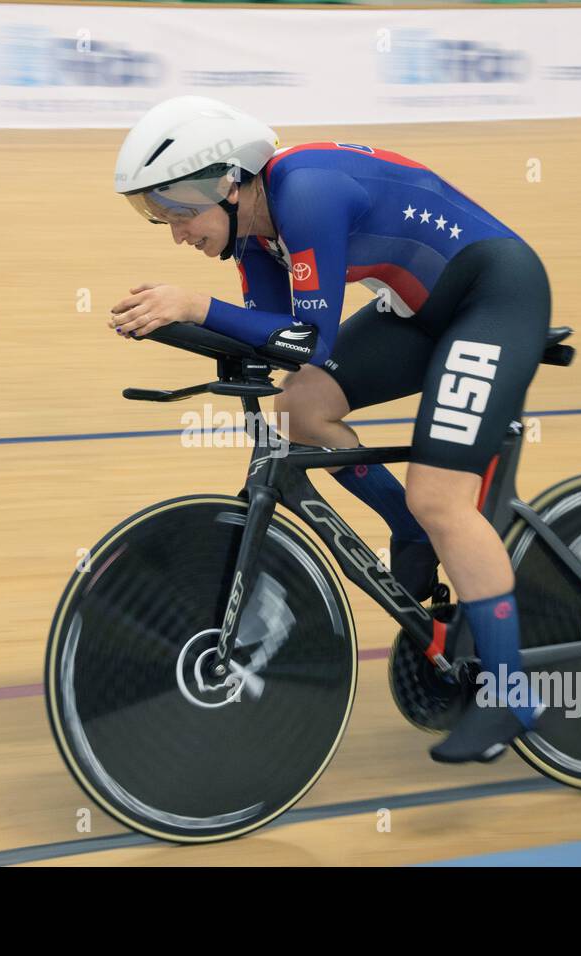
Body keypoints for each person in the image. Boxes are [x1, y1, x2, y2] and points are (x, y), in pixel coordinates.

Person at [108, 95, 550, 763]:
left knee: (443, 499)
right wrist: (180, 330)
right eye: (155, 216)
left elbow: (308, 338)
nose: (173, 232)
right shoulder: (254, 235)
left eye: (175, 210)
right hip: (421, 310)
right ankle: (408, 526)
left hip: (495, 296)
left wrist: (196, 303)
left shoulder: (304, 192)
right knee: (298, 413)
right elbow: (274, 345)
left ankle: (512, 696)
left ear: (226, 182)